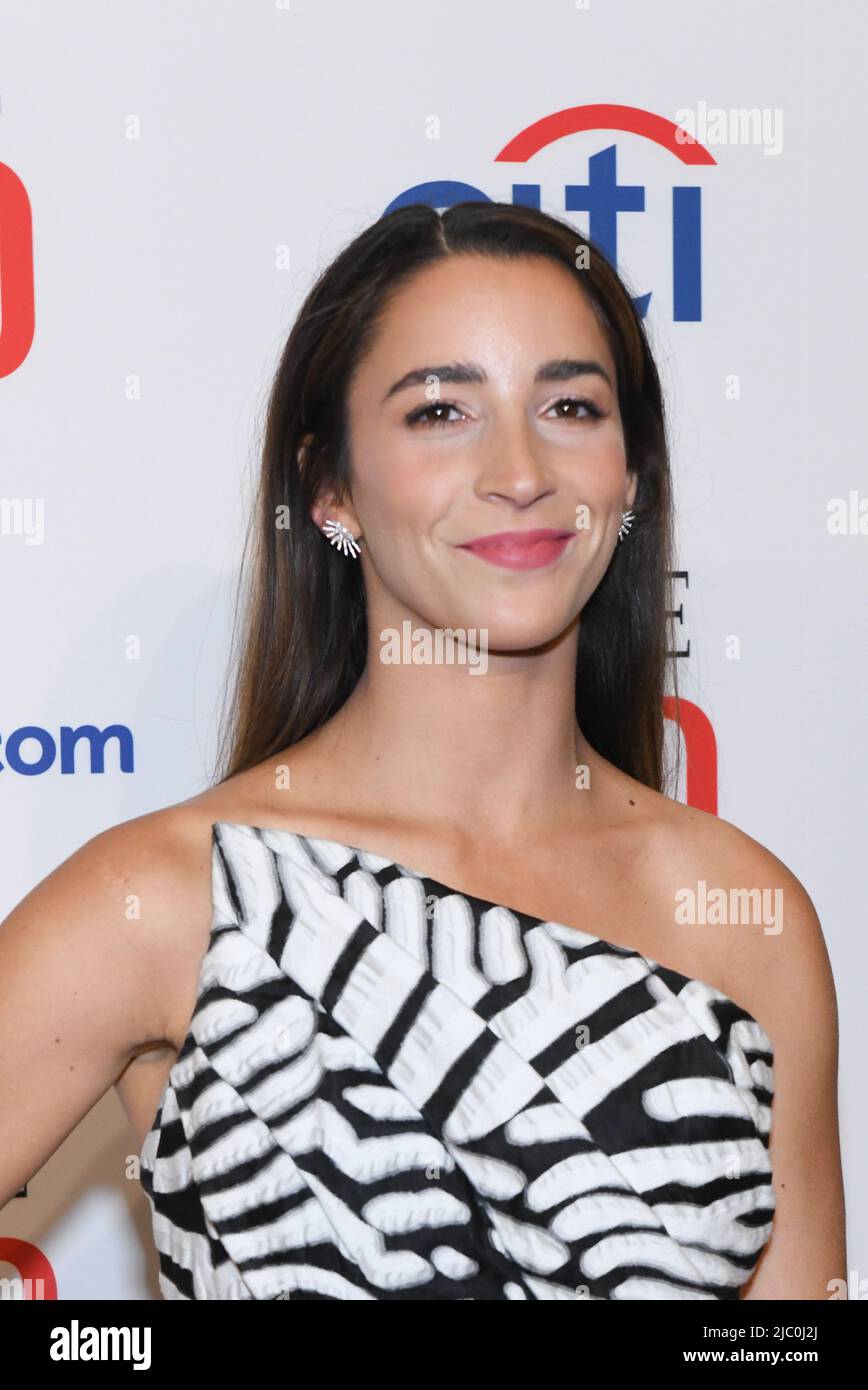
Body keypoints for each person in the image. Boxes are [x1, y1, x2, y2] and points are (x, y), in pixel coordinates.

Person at [0, 202, 845, 1299]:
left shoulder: (741, 915)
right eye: (441, 410)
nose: (519, 468)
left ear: (630, 475)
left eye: (571, 406)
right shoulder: (174, 897)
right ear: (329, 487)